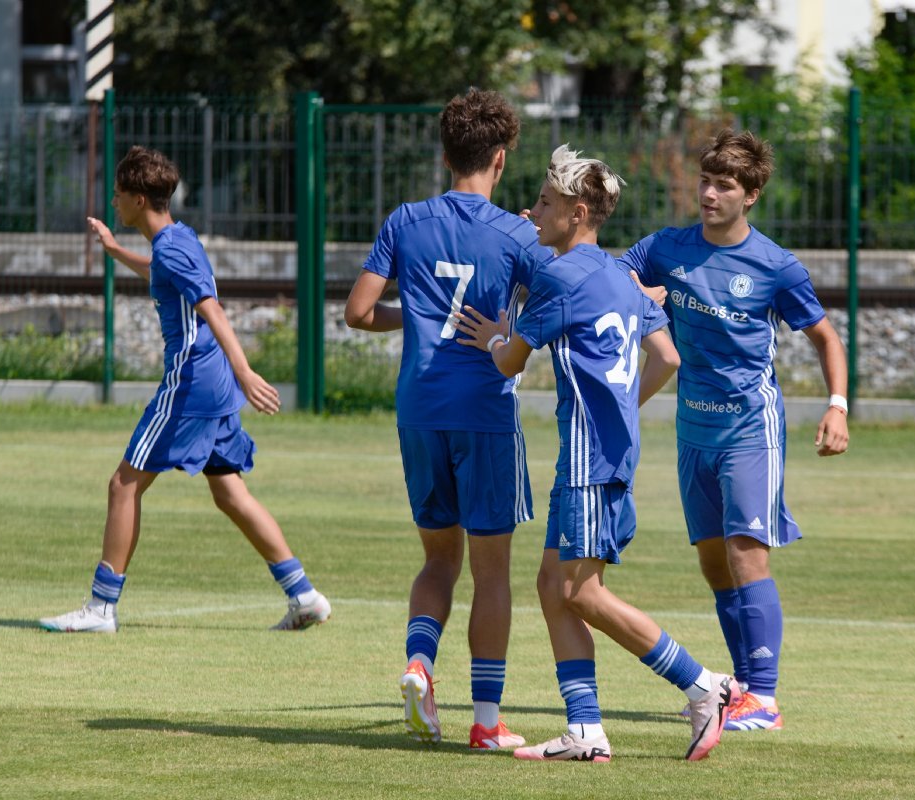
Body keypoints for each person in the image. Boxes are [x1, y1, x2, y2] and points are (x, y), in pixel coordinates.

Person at [455, 144, 733, 763]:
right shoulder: (620, 277)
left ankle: (703, 685)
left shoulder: (558, 276)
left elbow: (510, 359)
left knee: (582, 593)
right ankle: (585, 730)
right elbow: (668, 359)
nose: (533, 210)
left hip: (586, 459)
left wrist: (493, 337)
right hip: (607, 451)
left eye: (547, 203)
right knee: (553, 584)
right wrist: (622, 409)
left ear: (578, 212)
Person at [39, 146, 330, 634]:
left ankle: (101, 608)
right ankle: (304, 595)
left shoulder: (172, 247)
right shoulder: (177, 239)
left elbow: (212, 309)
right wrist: (115, 252)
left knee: (123, 485)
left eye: (117, 196)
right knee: (230, 494)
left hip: (193, 383)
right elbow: (164, 276)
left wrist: (246, 372)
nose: (113, 203)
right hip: (213, 385)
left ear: (137, 199)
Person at [619, 129, 849, 732]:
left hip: (751, 427)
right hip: (692, 429)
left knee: (748, 556)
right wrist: (637, 290)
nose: (710, 193)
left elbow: (826, 336)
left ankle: (765, 700)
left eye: (725, 185)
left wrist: (837, 405)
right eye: (705, 181)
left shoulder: (775, 265)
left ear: (751, 196)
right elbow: (607, 277)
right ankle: (741, 688)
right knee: (714, 564)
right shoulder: (666, 247)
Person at [344, 89, 551, 751]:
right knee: (492, 573)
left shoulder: (405, 220)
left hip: (419, 410)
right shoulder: (517, 233)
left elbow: (357, 311)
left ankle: (418, 664)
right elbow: (561, 298)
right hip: (485, 414)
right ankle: (487, 723)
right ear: (498, 157)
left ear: (443, 155)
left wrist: (418, 316)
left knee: (438, 560)